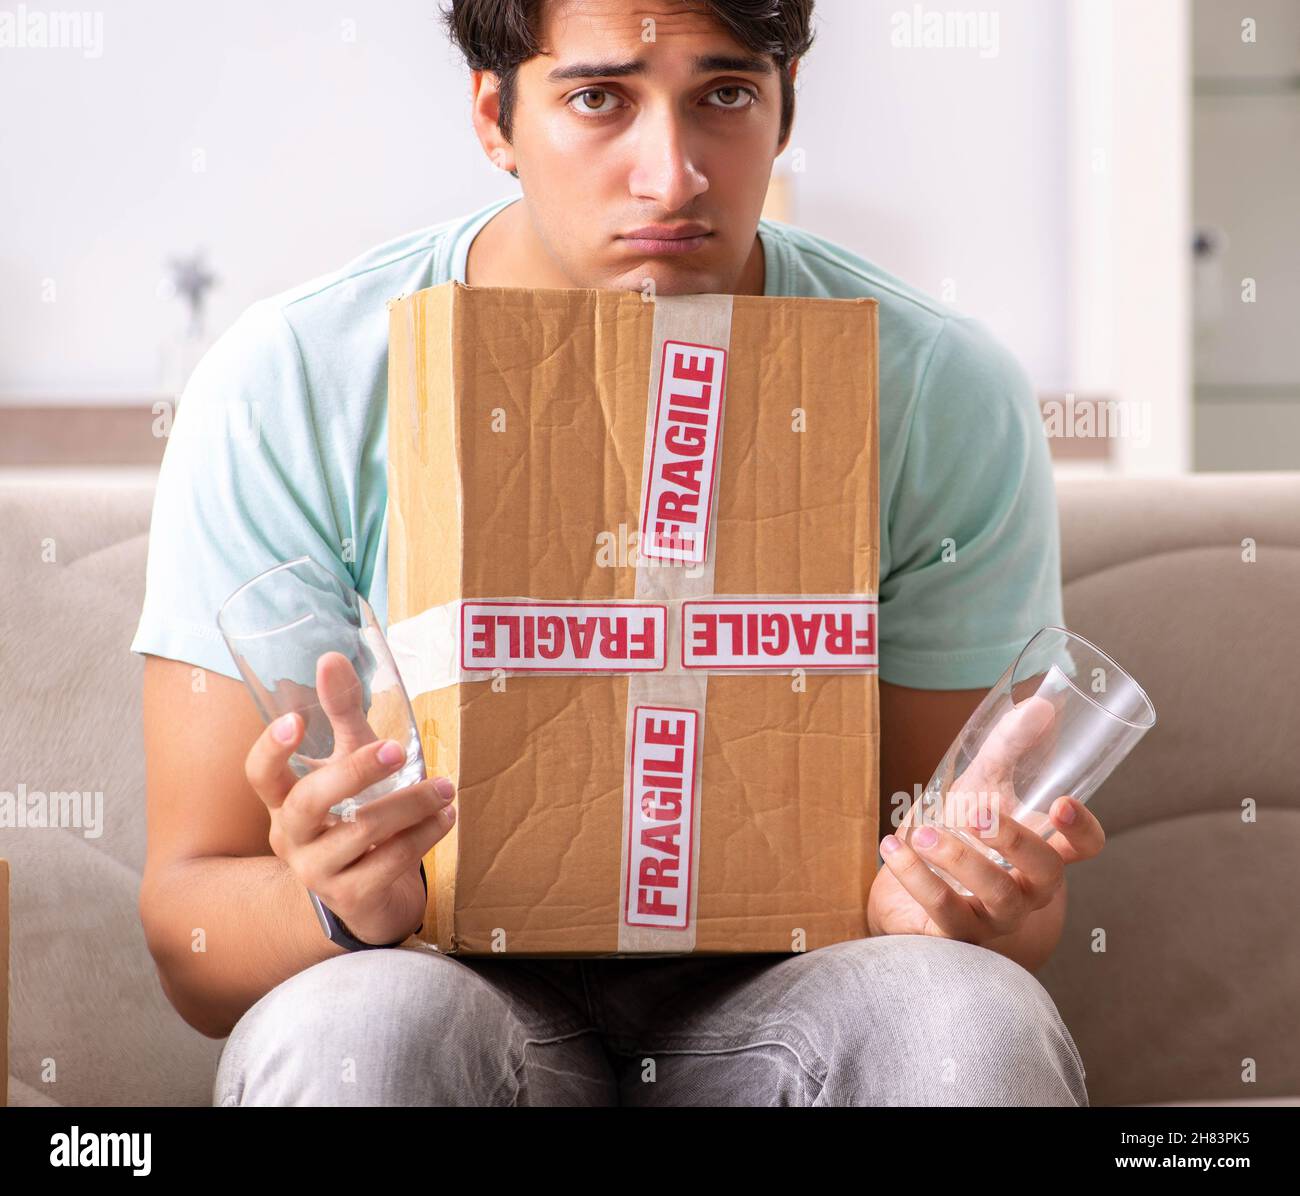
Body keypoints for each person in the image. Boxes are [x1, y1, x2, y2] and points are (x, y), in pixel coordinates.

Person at [134, 0, 1096, 1106]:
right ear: (495, 114)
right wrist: (331, 900)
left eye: (724, 95)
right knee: (358, 1024)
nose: (671, 176)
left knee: (964, 1016)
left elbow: (991, 911)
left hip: (791, 992)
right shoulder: (297, 380)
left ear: (785, 112)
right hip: (450, 983)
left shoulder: (932, 387)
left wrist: (960, 895)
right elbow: (190, 927)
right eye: (599, 98)